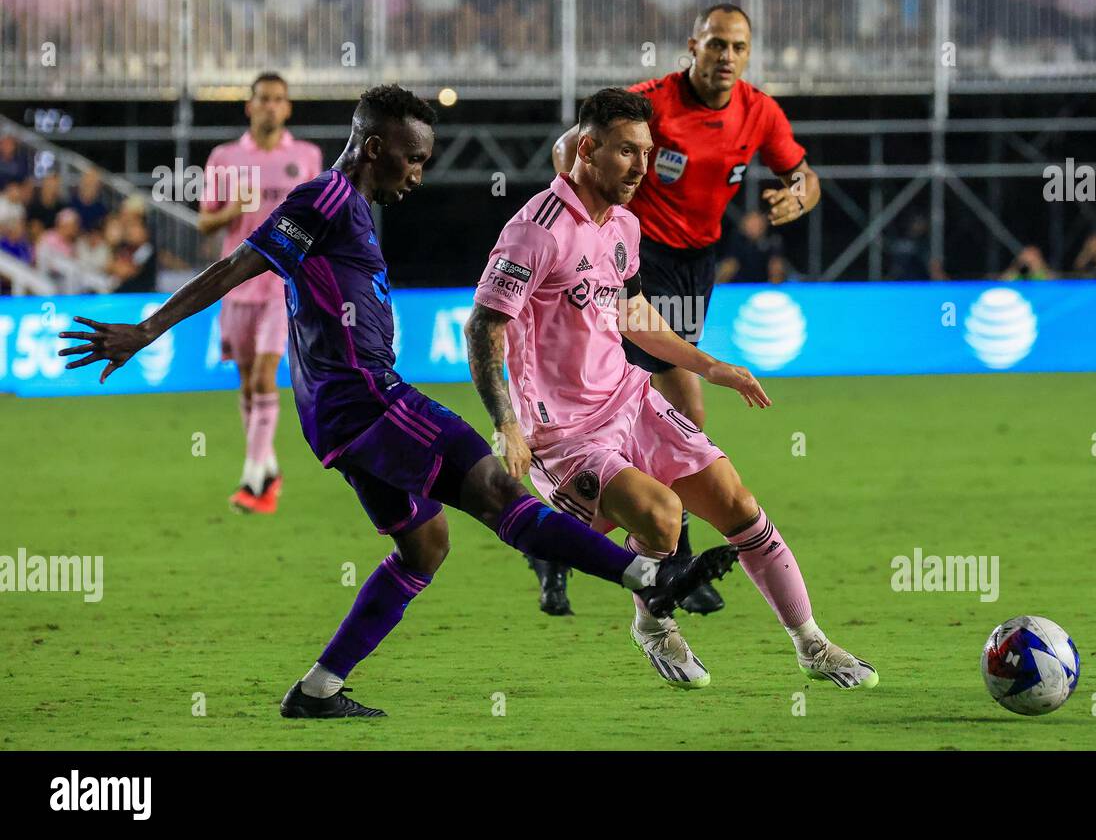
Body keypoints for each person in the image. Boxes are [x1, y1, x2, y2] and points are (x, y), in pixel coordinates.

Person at [59, 84, 734, 719]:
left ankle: (319, 689)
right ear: (375, 147)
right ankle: (648, 573)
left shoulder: (347, 210)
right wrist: (147, 329)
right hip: (368, 401)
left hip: (335, 416)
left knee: (425, 547)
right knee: (499, 490)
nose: (418, 174)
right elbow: (240, 262)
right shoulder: (325, 198)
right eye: (413, 159)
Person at [467, 88, 875, 690]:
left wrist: (710, 366)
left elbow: (634, 315)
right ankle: (651, 623)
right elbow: (483, 326)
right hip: (566, 435)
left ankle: (812, 644)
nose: (641, 167)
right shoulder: (537, 229)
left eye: (647, 153)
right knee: (664, 516)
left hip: (630, 400)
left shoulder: (625, 225)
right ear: (587, 148)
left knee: (738, 505)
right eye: (627, 152)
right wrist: (505, 424)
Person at [542, 3, 822, 616]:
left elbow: (805, 176)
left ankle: (564, 546)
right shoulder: (654, 103)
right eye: (716, 44)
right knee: (681, 410)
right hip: (641, 257)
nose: (726, 57)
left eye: (738, 47)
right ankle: (673, 566)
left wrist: (796, 199)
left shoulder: (759, 111)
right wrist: (588, 219)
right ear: (691, 46)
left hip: (696, 263)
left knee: (666, 418)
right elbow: (569, 147)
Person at [198, 73, 323, 514]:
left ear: (287, 108)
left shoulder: (306, 157)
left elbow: (320, 219)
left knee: (263, 379)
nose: (270, 106)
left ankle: (252, 481)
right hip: (235, 283)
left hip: (284, 283)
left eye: (278, 99)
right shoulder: (224, 157)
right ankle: (268, 469)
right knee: (247, 384)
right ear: (249, 106)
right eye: (263, 99)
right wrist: (233, 209)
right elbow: (205, 222)